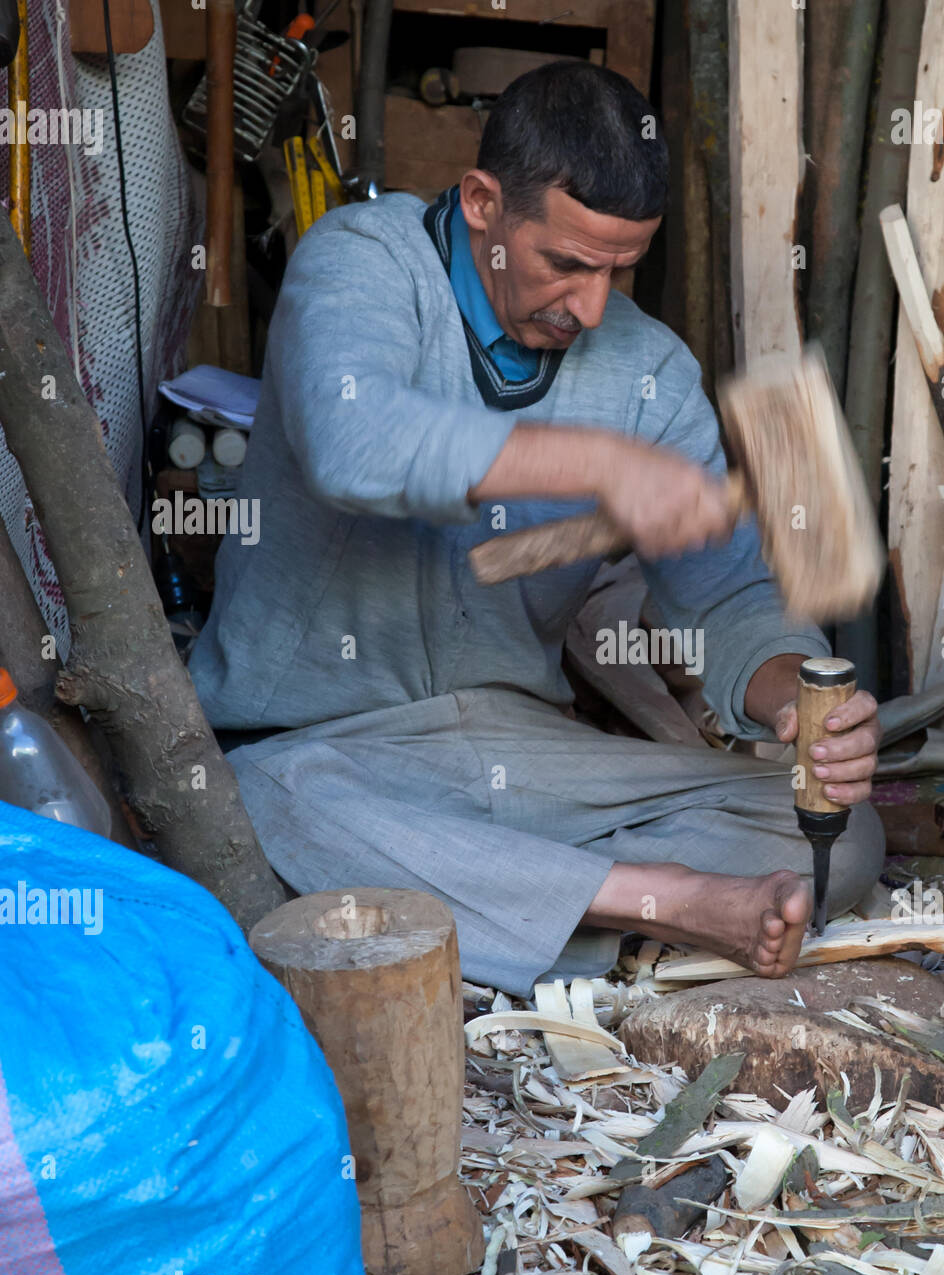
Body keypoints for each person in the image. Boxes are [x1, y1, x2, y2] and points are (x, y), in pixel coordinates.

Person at [189, 60, 885, 995]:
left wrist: (796, 707)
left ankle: (534, 911)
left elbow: (729, 596)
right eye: (566, 263)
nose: (591, 306)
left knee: (838, 836)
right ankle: (662, 904)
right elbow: (354, 443)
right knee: (258, 812)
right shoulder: (360, 261)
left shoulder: (650, 371)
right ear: (483, 203)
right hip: (317, 750)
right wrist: (600, 464)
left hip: (514, 757)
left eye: (619, 270)